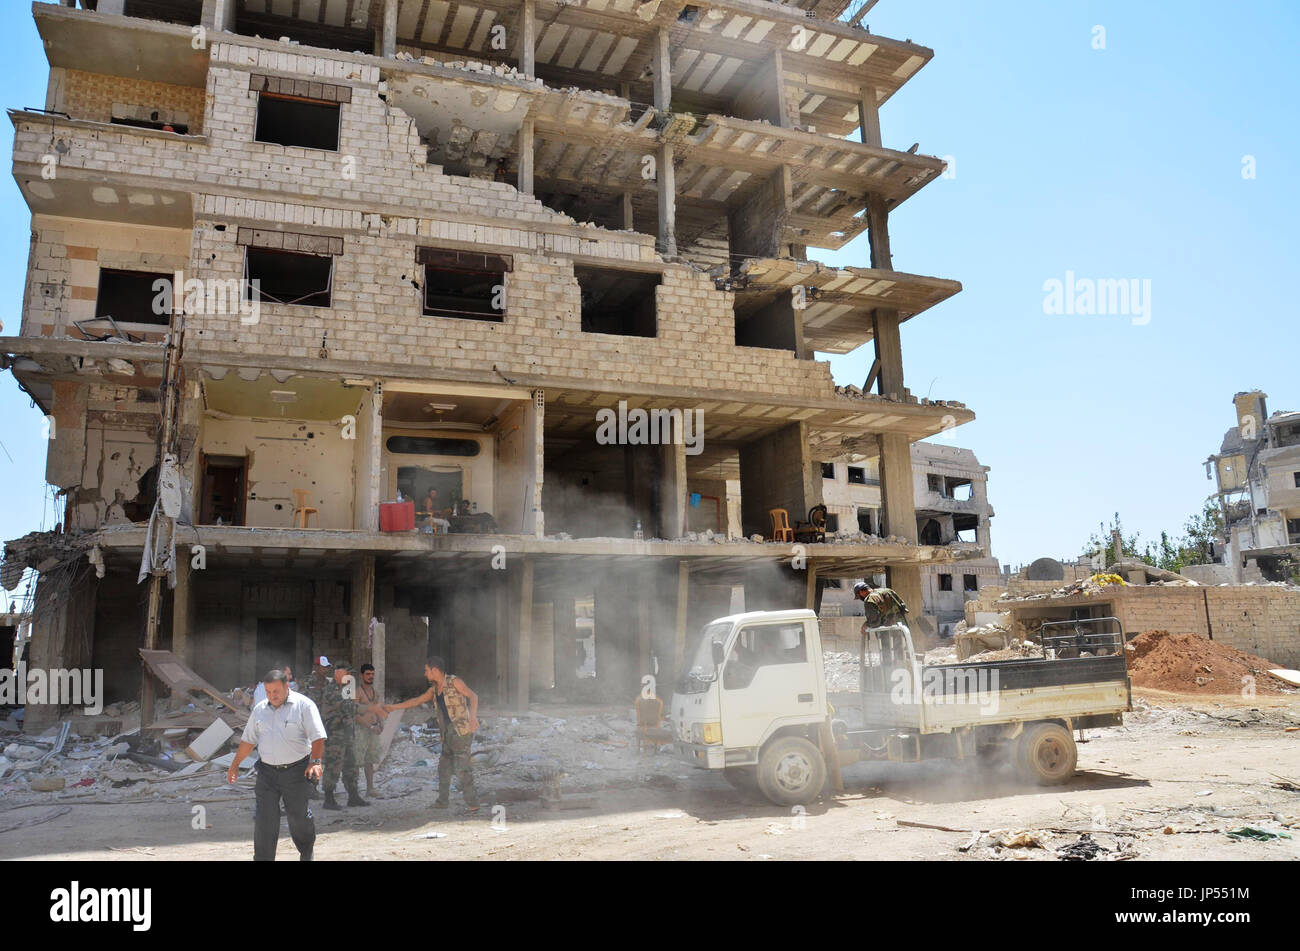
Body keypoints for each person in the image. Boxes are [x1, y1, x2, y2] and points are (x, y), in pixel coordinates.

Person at [227, 669, 325, 861]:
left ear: (287, 686)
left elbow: (318, 736)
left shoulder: (304, 706)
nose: (272, 696)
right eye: (269, 692)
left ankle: (306, 852)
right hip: (267, 773)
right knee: (265, 820)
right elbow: (248, 741)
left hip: (297, 771)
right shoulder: (260, 710)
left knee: (298, 818)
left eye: (276, 691)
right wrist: (235, 764)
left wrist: (315, 761)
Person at [384, 655, 481, 813]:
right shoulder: (434, 690)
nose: (425, 674)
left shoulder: (454, 682)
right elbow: (416, 701)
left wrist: (473, 717)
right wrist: (393, 707)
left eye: (426, 670)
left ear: (434, 670)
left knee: (463, 769)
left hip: (461, 732)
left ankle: (473, 803)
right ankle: (442, 801)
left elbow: (473, 696)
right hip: (448, 734)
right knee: (443, 769)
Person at [320, 662, 368, 809]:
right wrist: (369, 708)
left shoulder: (346, 688)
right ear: (339, 673)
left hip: (347, 733)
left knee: (351, 766)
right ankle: (329, 799)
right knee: (333, 766)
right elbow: (347, 706)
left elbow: (350, 711)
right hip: (335, 735)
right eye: (347, 673)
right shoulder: (331, 690)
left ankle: (353, 796)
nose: (350, 676)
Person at [353, 663, 388, 797]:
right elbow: (355, 714)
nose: (370, 677)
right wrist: (370, 726)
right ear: (362, 675)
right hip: (361, 730)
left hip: (373, 730)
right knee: (357, 761)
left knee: (370, 761)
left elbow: (378, 710)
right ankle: (354, 791)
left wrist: (381, 724)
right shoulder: (357, 692)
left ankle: (370, 789)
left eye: (372, 674)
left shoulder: (375, 692)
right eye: (367, 674)